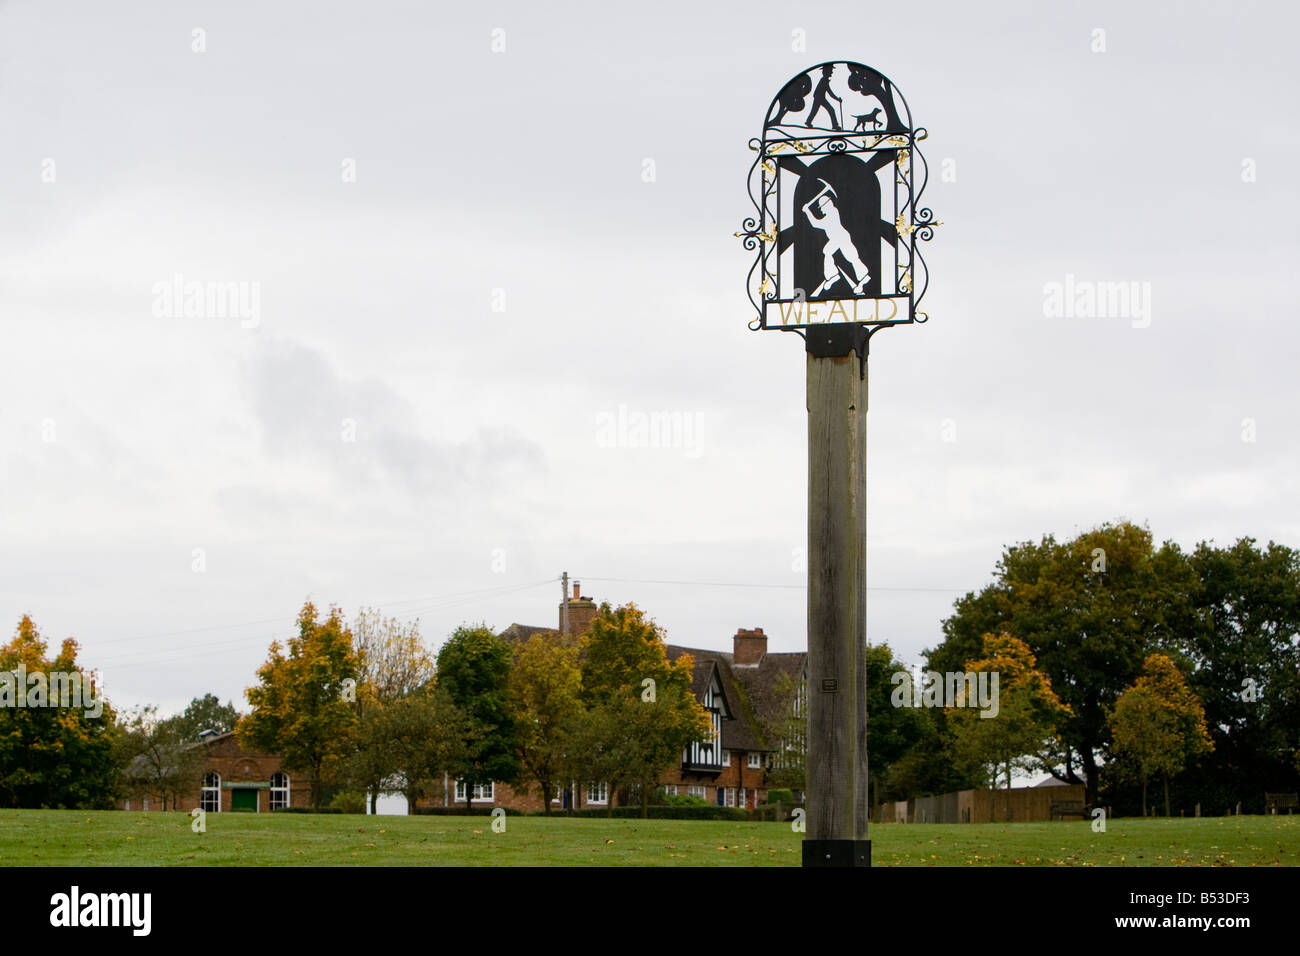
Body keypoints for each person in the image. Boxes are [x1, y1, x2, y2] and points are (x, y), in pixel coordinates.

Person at [806, 64, 842, 130]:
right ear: (826, 71)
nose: (831, 72)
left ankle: (808, 121)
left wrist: (837, 99)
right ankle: (834, 125)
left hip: (820, 97)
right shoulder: (824, 81)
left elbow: (829, 93)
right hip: (819, 98)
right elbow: (830, 93)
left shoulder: (824, 80)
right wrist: (837, 99)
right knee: (829, 110)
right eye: (830, 70)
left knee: (817, 110)